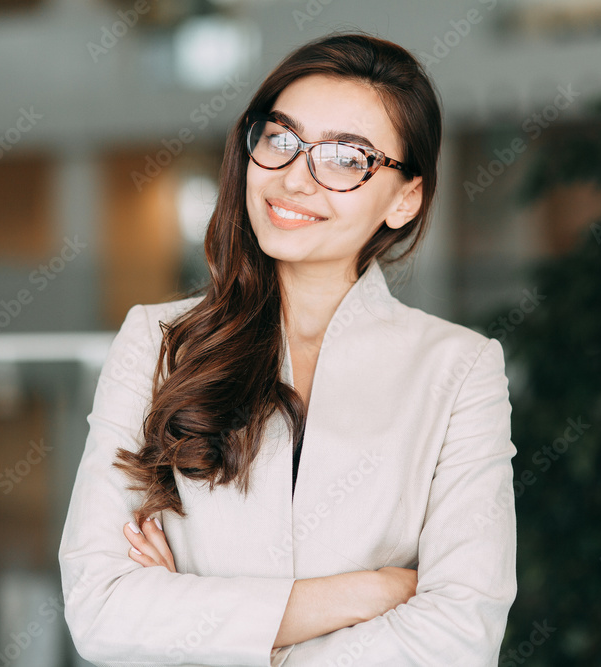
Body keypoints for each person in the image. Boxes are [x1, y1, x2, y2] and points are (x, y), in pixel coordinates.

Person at [59, 32, 517, 666]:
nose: (296, 178)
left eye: (346, 158)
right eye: (280, 139)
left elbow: (460, 635)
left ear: (406, 197)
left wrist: (204, 626)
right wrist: (371, 593)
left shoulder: (459, 369)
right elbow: (100, 608)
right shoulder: (159, 343)